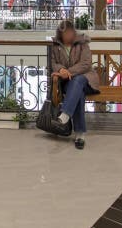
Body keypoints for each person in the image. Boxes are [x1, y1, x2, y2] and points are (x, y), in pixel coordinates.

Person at [50, 20, 100, 150]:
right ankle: (80, 135)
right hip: (68, 83)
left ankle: (65, 114)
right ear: (60, 34)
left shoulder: (82, 43)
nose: (68, 35)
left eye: (70, 32)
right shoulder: (56, 46)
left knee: (78, 81)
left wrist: (69, 72)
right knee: (78, 93)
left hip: (87, 80)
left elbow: (86, 64)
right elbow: (53, 63)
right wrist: (61, 70)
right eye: (65, 33)